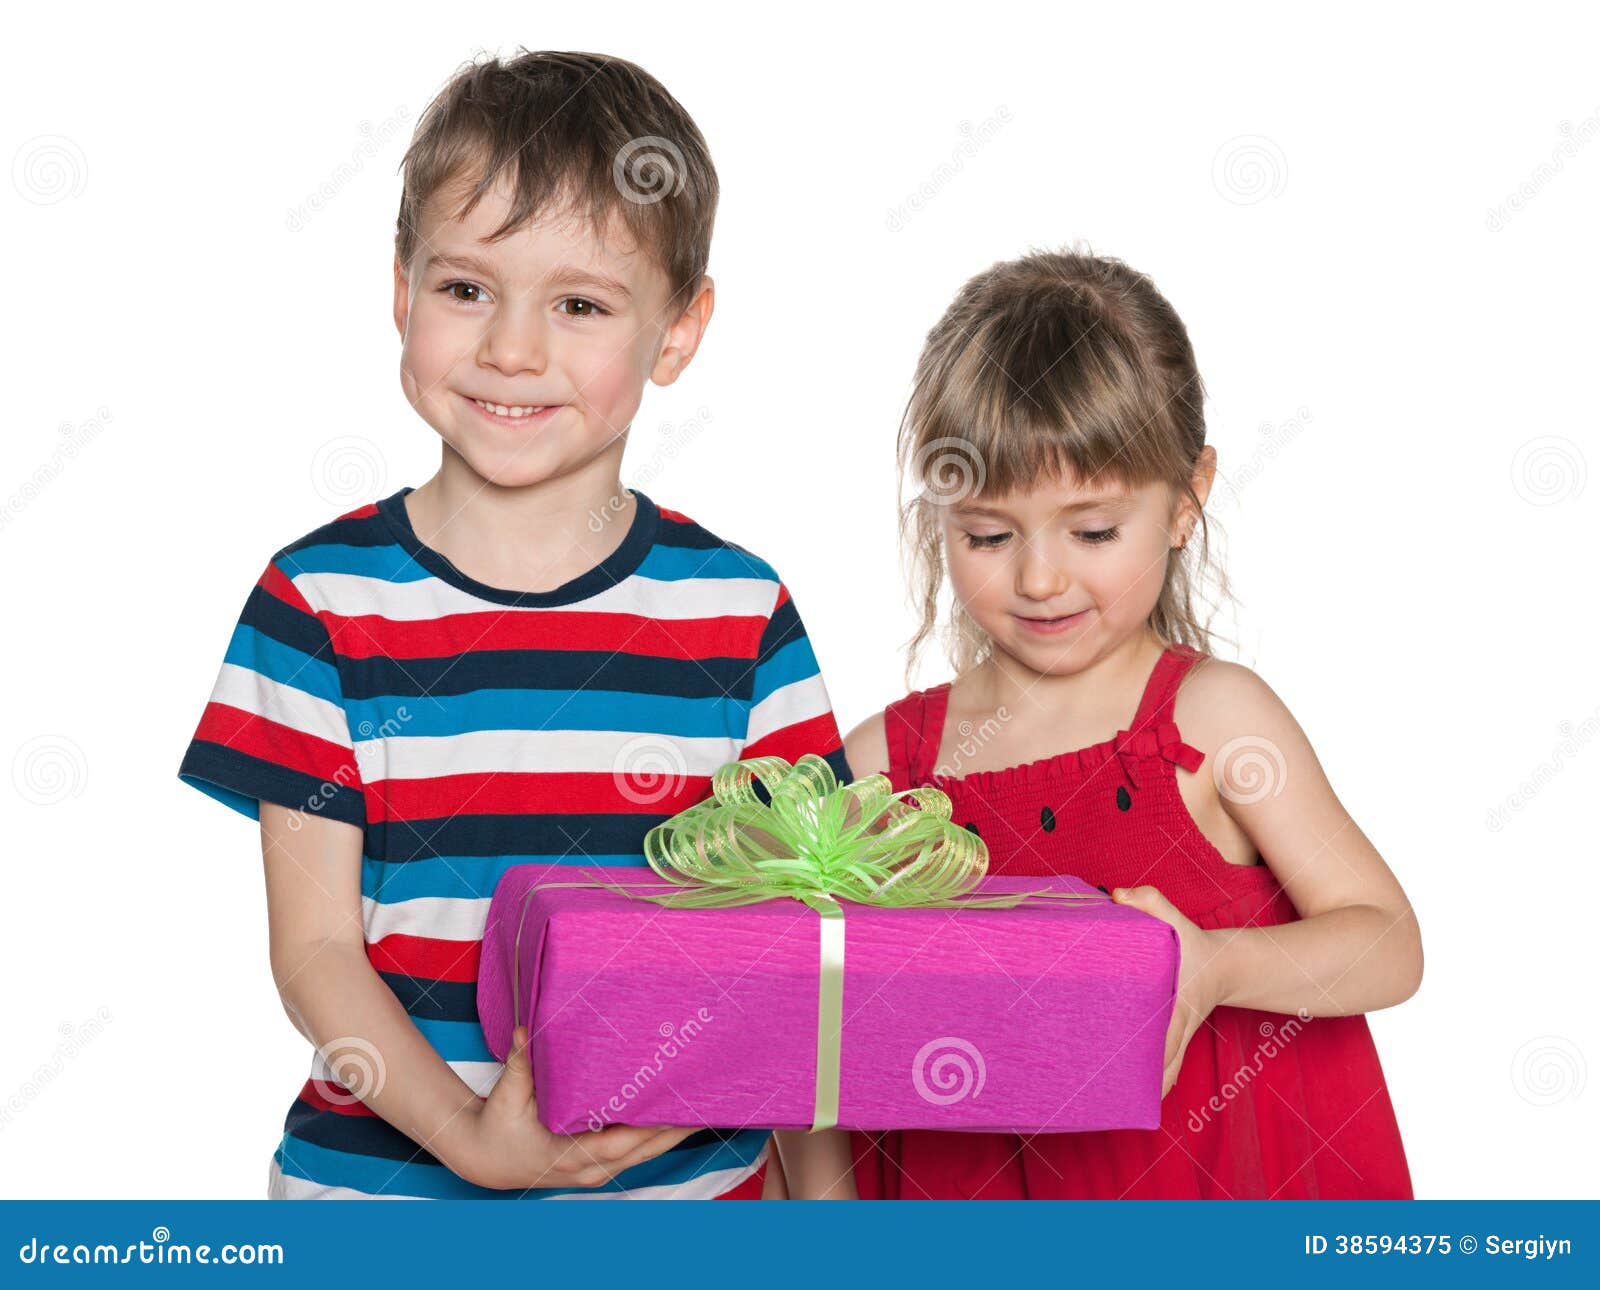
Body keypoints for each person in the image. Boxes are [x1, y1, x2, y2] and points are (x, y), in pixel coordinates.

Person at [177, 50, 853, 1200]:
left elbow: (800, 948)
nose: (512, 350)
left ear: (677, 332)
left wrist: (829, 1223)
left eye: (579, 305)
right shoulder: (317, 603)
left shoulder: (740, 615)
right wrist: (472, 1139)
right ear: (402, 290)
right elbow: (316, 952)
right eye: (466, 289)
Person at [843, 248, 1420, 1199]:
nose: (1039, 578)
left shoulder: (1214, 722)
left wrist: (1216, 965)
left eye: (1093, 532)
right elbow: (813, 1031)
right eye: (988, 535)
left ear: (1187, 501)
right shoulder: (883, 767)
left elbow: (1387, 943)